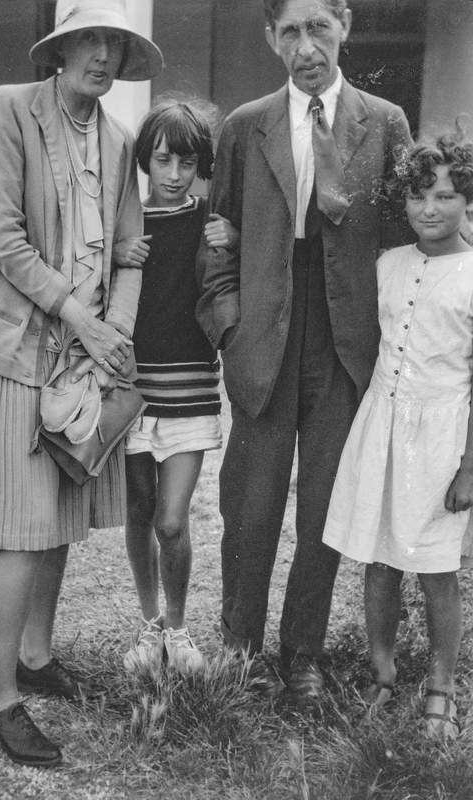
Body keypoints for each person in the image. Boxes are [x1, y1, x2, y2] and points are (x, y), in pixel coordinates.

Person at [0, 0, 163, 767]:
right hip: (18, 347)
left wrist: (118, 338)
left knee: (64, 512)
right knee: (22, 524)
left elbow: (132, 251)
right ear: (58, 49)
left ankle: (37, 657)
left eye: (113, 41)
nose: (101, 54)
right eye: (87, 39)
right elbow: (0, 235)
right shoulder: (8, 110)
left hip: (85, 354)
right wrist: (82, 318)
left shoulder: (117, 141)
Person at [195, 0, 412, 701]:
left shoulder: (383, 123)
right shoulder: (244, 126)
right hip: (264, 334)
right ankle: (239, 646)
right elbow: (216, 237)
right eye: (290, 30)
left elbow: (400, 239)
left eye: (320, 26)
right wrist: (229, 325)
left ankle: (303, 655)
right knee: (251, 507)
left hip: (345, 340)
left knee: (325, 508)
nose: (307, 45)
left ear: (346, 25)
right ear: (269, 38)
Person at [323, 130, 473, 739]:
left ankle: (441, 686)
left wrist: (469, 466)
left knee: (437, 568)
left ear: (468, 202)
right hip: (383, 426)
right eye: (417, 197)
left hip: (443, 437)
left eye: (444, 197)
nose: (429, 210)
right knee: (380, 560)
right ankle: (381, 674)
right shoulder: (388, 264)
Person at [113, 99, 238, 674]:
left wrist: (231, 241)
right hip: (134, 393)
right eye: (161, 160)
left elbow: (232, 276)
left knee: (172, 519)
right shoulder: (129, 222)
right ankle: (148, 625)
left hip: (190, 393)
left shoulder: (212, 219)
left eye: (185, 163)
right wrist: (117, 255)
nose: (172, 175)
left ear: (199, 166)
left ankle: (180, 628)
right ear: (145, 159)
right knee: (140, 511)